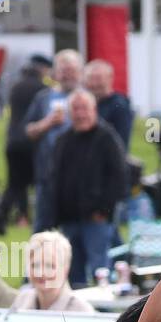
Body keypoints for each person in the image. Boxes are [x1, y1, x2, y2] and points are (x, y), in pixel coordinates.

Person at [49, 90, 126, 287]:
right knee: (72, 270)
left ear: (94, 109)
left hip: (96, 218)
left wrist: (104, 210)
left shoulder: (107, 137)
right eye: (75, 109)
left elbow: (118, 177)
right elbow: (55, 178)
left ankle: (104, 312)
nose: (80, 113)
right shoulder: (62, 139)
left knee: (99, 269)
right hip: (69, 218)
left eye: (84, 108)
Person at [24, 48, 84, 231]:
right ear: (56, 73)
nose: (68, 75)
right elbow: (28, 130)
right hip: (48, 171)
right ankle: (39, 257)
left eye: (72, 71)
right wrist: (47, 123)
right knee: (43, 223)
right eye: (64, 71)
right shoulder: (43, 98)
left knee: (75, 226)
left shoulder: (86, 98)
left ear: (80, 72)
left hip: (78, 172)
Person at [0, 53, 49, 233]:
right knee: (27, 182)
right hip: (29, 142)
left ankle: (14, 214)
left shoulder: (16, 86)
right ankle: (9, 212)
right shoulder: (42, 90)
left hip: (12, 141)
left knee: (15, 182)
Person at [14, 230, 96, 313]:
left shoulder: (81, 311)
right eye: (35, 265)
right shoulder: (21, 300)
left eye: (50, 266)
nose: (41, 273)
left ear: (65, 269)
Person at [85, 59, 133, 149]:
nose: (94, 83)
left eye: (98, 79)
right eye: (91, 78)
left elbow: (121, 143)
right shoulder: (84, 104)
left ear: (110, 78)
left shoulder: (119, 106)